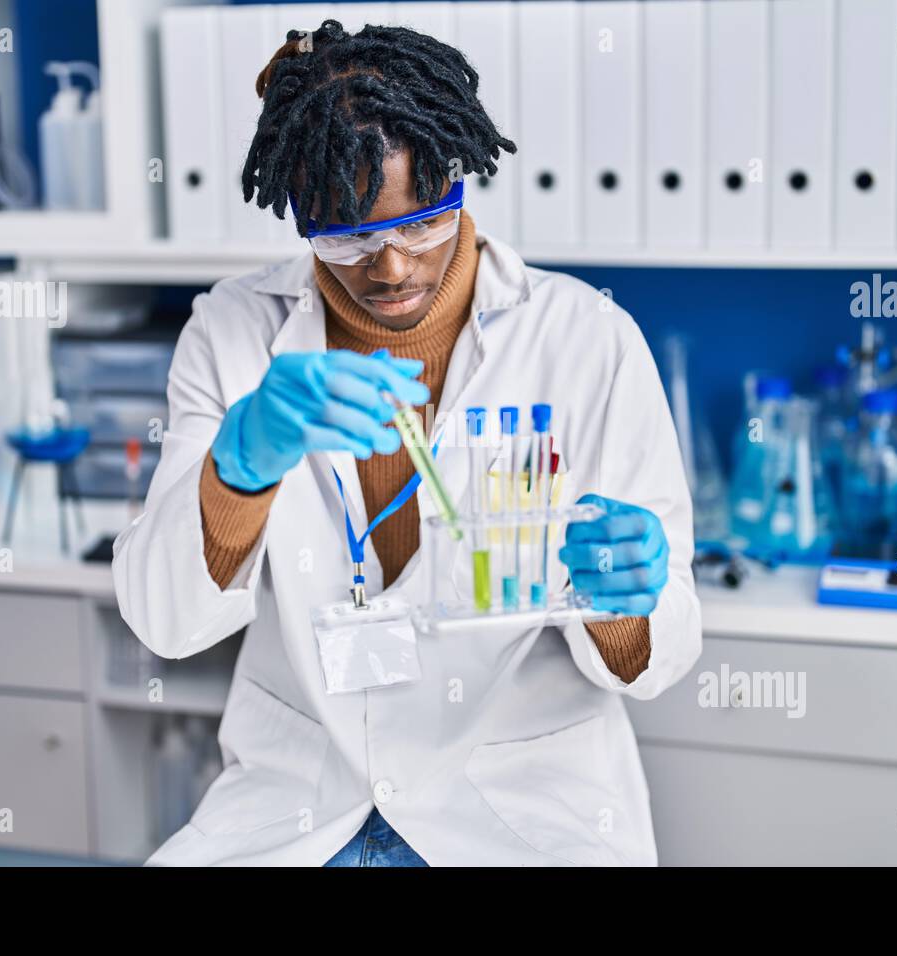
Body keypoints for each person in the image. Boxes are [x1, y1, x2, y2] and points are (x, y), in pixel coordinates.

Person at [114, 18, 701, 867]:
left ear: (458, 179)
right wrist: (238, 469)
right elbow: (165, 622)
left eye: (421, 224)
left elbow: (658, 659)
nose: (389, 268)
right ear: (299, 216)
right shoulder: (233, 334)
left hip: (521, 814)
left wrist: (628, 600)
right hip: (300, 804)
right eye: (348, 236)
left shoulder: (588, 340)